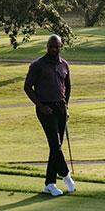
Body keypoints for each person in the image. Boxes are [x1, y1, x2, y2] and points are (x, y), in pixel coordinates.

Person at [23, 34, 74, 196]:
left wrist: (66, 107)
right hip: (45, 108)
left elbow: (67, 87)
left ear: (61, 47)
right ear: (47, 47)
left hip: (60, 107)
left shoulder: (64, 65)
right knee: (55, 144)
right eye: (51, 47)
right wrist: (41, 106)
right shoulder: (38, 65)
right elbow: (27, 87)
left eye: (56, 47)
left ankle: (49, 184)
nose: (54, 49)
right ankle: (65, 175)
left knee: (56, 147)